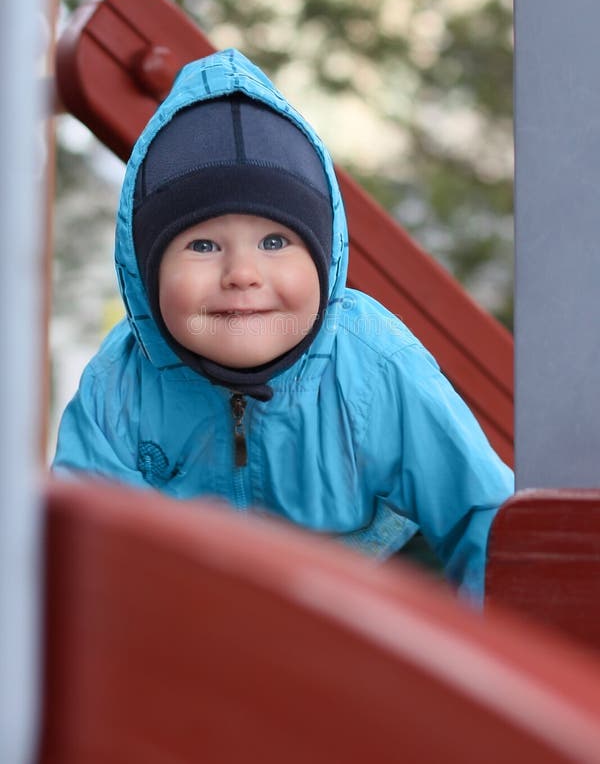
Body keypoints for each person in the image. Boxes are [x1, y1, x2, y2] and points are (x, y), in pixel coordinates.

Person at [53, 48, 513, 604]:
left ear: (324, 258)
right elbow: (82, 550)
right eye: (202, 244)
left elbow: (482, 516)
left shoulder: (374, 367)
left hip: (376, 620)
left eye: (275, 242)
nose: (242, 273)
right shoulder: (120, 385)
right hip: (198, 624)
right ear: (147, 269)